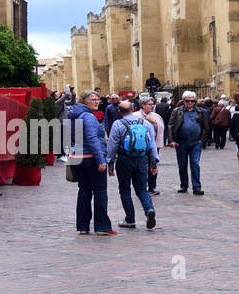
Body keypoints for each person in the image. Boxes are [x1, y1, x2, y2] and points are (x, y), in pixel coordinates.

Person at [66, 92, 115, 235]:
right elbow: (92, 139)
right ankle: (102, 227)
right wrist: (101, 160)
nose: (97, 102)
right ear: (85, 101)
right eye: (93, 100)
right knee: (100, 191)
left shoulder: (73, 115)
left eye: (97, 99)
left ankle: (83, 226)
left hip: (77, 157)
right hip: (90, 158)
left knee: (84, 191)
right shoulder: (88, 117)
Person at [106, 100, 159, 230]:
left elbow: (112, 146)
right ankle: (149, 209)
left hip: (124, 159)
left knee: (125, 190)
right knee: (142, 189)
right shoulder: (145, 123)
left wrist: (110, 163)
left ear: (119, 112)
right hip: (141, 159)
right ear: (133, 109)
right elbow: (152, 145)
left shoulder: (118, 124)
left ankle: (130, 219)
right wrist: (154, 162)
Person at [167, 91, 210, 195]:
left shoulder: (201, 111)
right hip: (181, 142)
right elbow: (170, 125)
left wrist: (202, 140)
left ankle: (196, 187)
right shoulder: (177, 111)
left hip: (195, 142)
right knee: (182, 165)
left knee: (195, 164)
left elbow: (206, 127)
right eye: (187, 101)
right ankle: (184, 185)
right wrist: (172, 140)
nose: (190, 103)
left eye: (192, 101)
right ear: (183, 101)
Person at [137, 96, 166, 195]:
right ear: (143, 105)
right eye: (149, 104)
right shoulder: (135, 115)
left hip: (153, 145)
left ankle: (152, 186)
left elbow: (161, 129)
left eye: (152, 104)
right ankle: (142, 186)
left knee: (153, 164)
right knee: (141, 166)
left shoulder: (156, 116)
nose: (152, 106)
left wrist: (154, 122)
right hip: (140, 145)